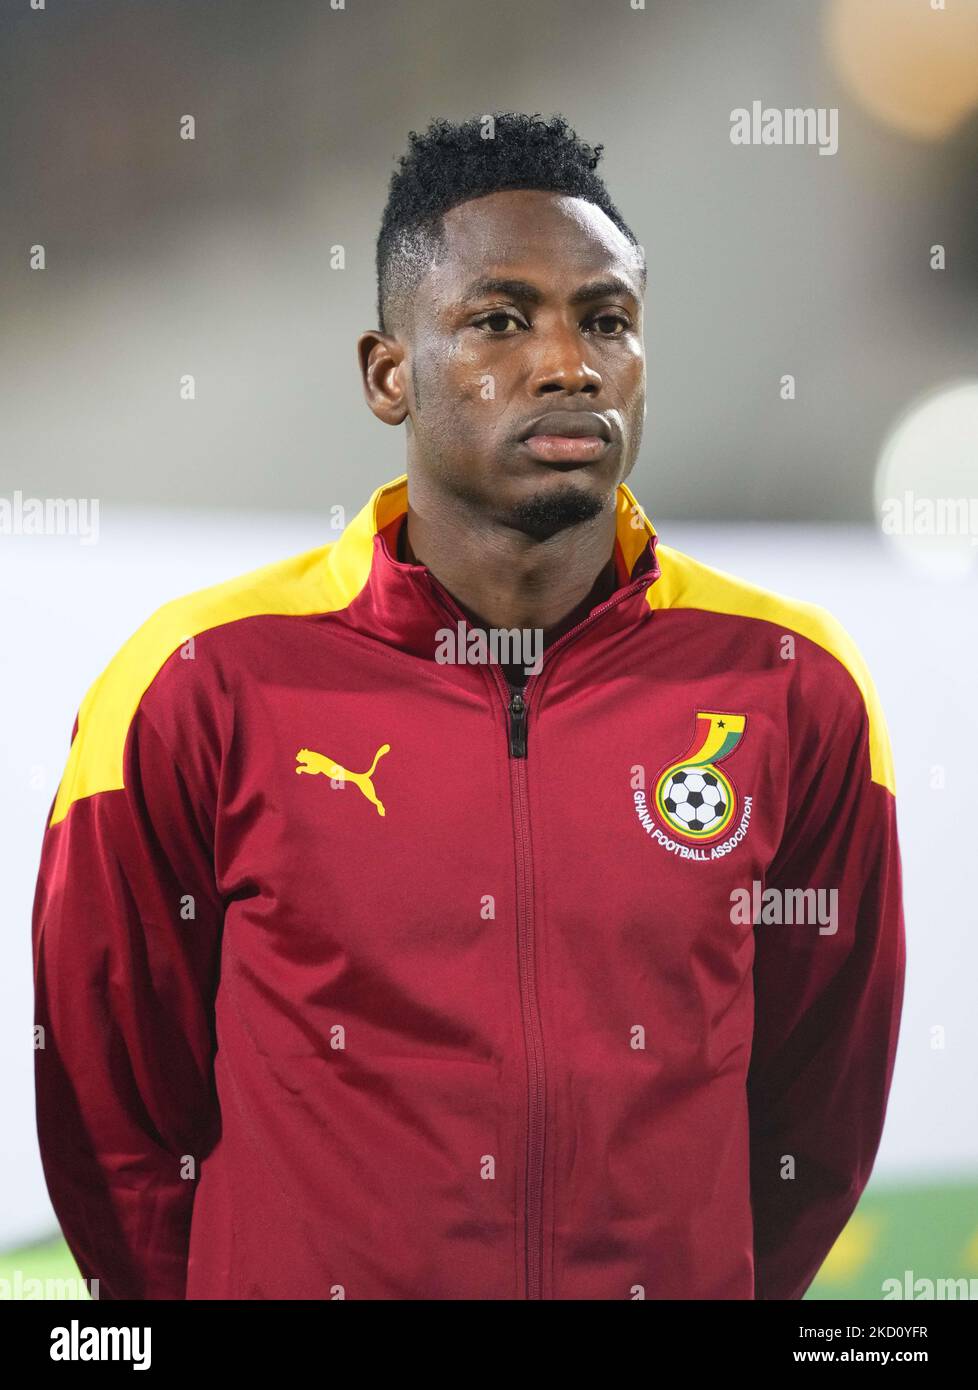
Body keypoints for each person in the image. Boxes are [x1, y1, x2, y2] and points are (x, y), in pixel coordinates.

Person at [31, 111, 905, 1301]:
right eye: (500, 320)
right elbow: (113, 1114)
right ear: (389, 374)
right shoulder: (197, 681)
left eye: (607, 320)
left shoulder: (794, 685)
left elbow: (817, 1107)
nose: (568, 364)